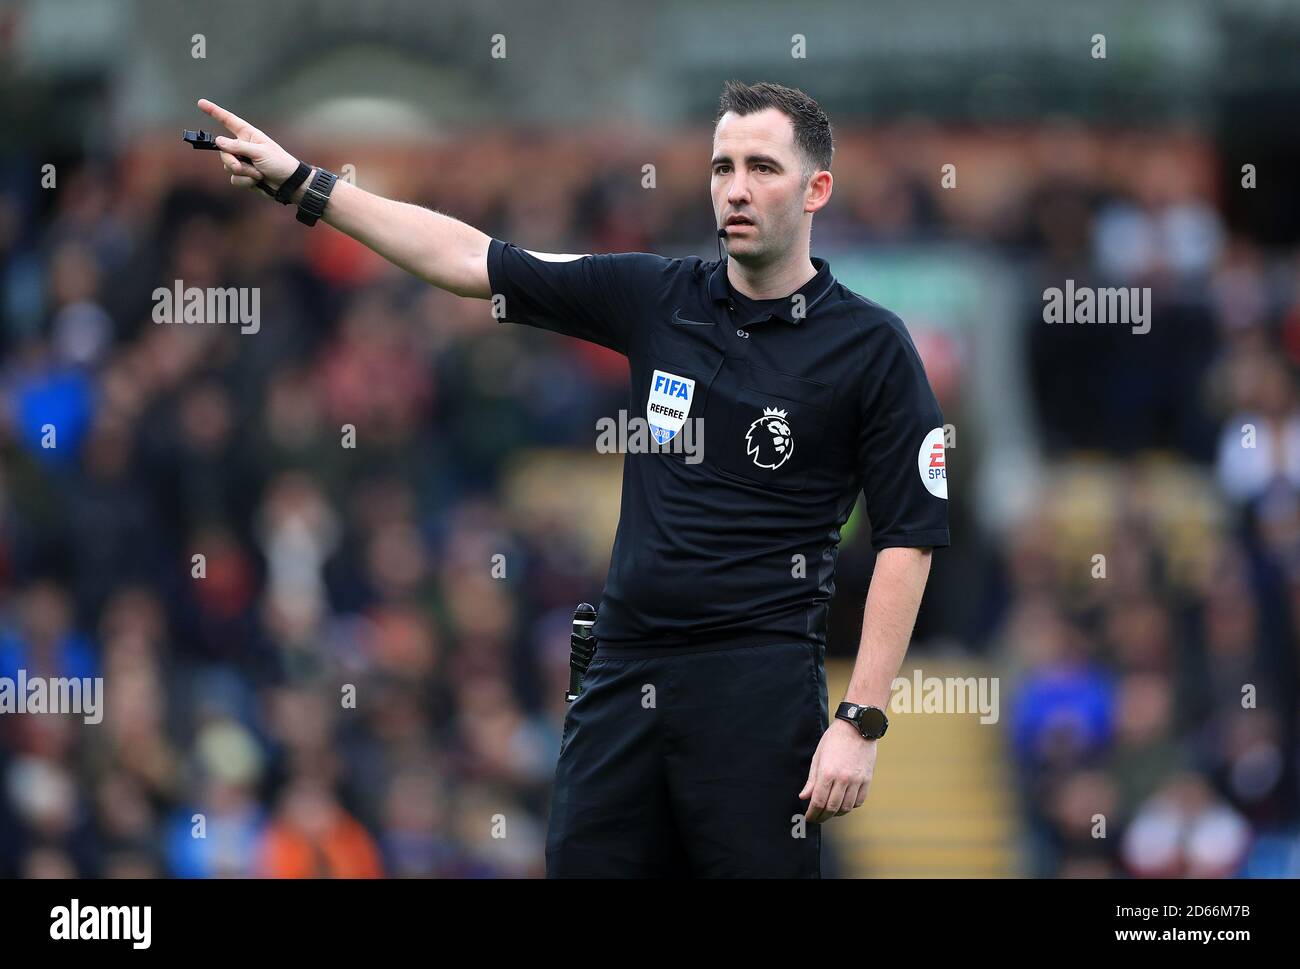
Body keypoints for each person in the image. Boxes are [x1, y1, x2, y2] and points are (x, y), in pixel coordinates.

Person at [197, 79, 949, 877]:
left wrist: (860, 720)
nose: (735, 187)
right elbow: (466, 259)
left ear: (816, 188)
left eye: (762, 167)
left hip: (757, 691)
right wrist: (304, 183)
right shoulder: (658, 298)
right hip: (622, 678)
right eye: (722, 165)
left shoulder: (871, 348)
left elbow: (910, 536)